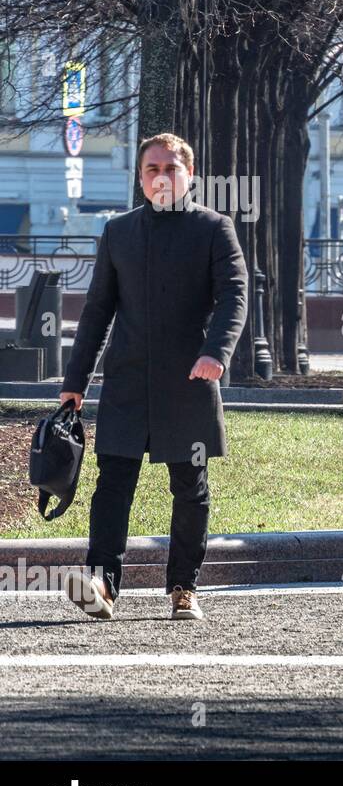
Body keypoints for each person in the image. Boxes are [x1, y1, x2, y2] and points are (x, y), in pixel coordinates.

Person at [59, 132, 248, 622]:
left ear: (190, 174)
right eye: (152, 169)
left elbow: (234, 294)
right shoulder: (118, 231)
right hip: (126, 381)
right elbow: (98, 310)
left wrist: (216, 352)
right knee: (112, 484)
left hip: (189, 382)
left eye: (170, 168)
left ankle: (184, 587)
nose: (161, 177)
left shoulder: (214, 228)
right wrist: (75, 381)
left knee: (190, 487)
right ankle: (102, 583)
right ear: (140, 178)